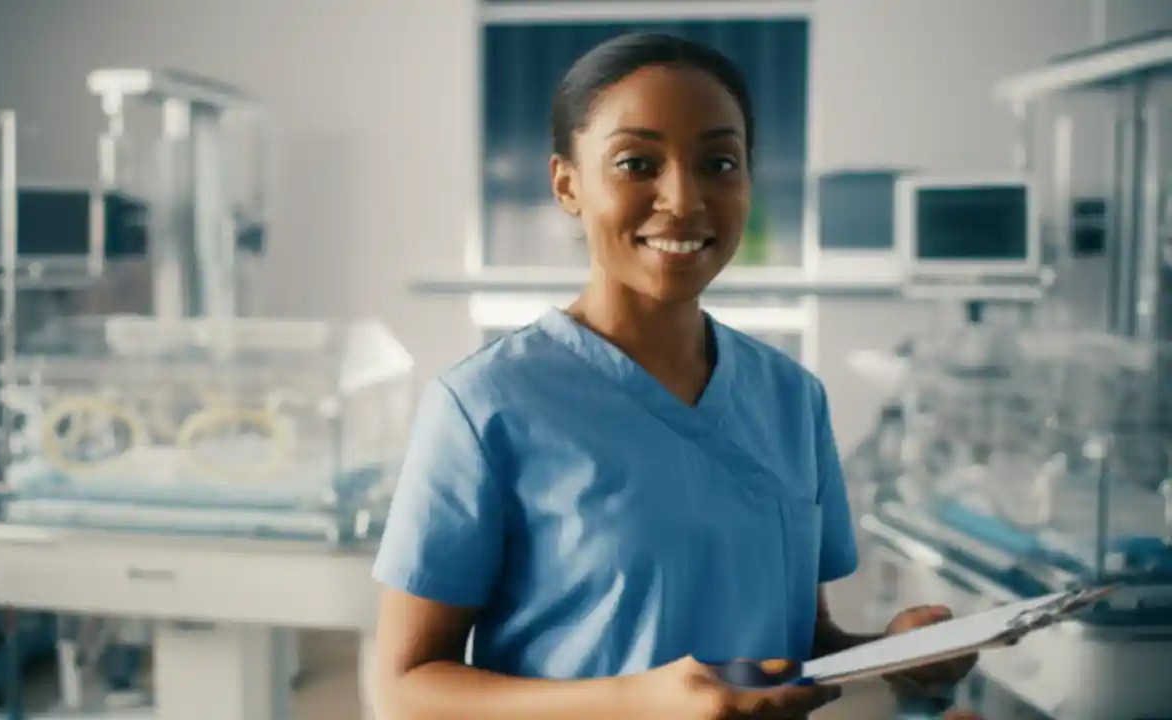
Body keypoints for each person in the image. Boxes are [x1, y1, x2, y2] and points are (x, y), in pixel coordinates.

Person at [371, 32, 975, 720]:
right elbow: (405, 689)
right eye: (636, 163)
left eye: (719, 162)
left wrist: (894, 657)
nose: (684, 199)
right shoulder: (483, 406)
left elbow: (797, 645)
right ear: (567, 184)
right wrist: (638, 702)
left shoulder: (790, 398)